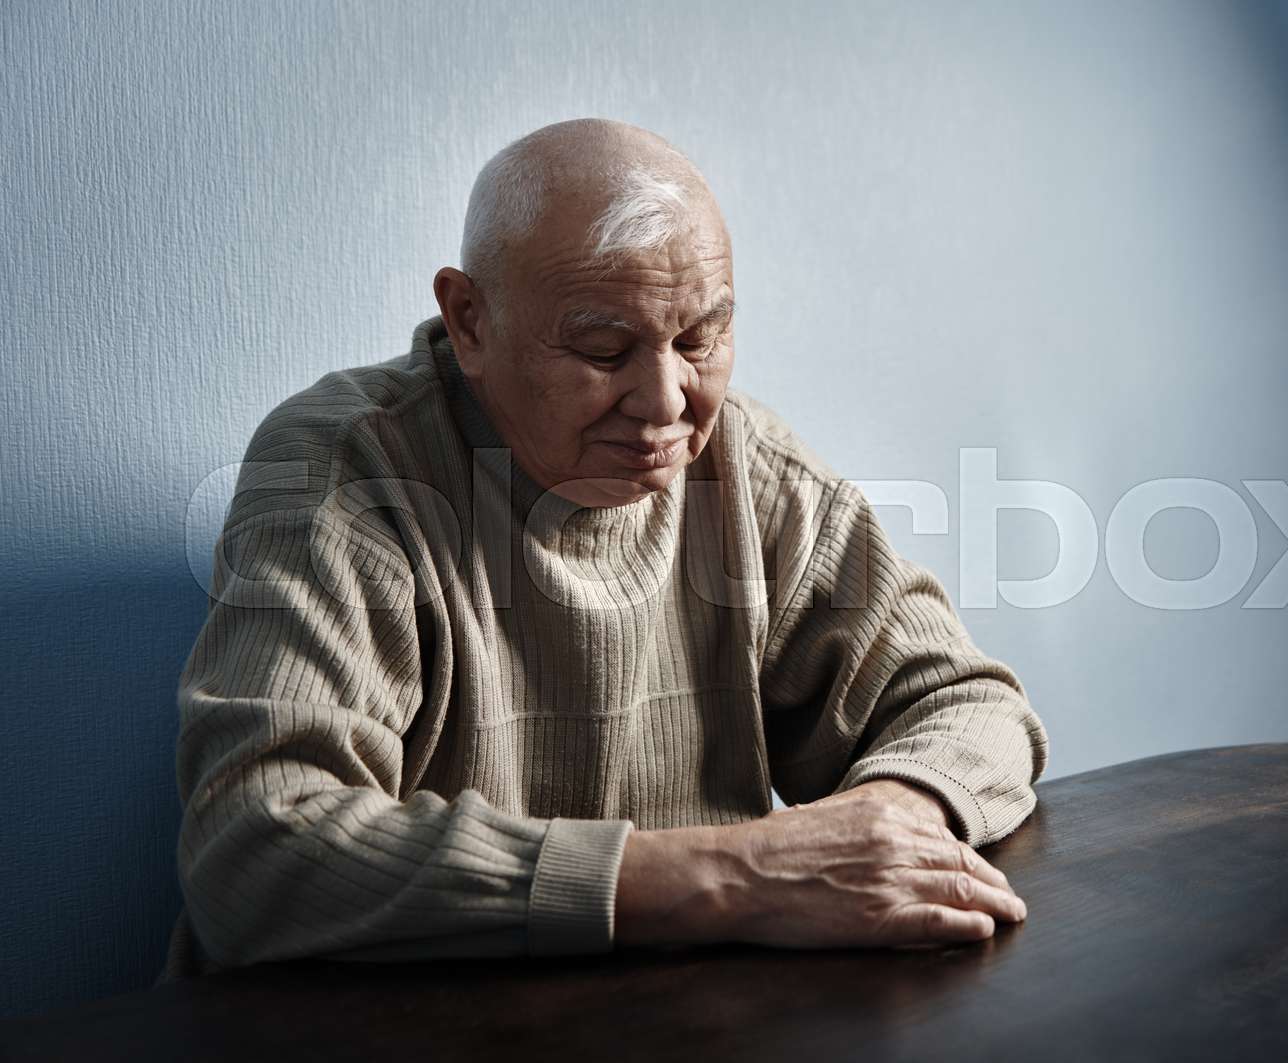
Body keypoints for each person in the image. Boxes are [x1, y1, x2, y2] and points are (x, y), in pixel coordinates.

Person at [158, 117, 1049, 980]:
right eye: (602, 348)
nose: (667, 403)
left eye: (699, 338)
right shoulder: (348, 469)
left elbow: (970, 704)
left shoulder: (747, 469)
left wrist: (883, 828)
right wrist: (737, 875)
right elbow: (254, 848)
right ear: (469, 320)